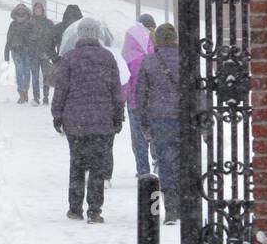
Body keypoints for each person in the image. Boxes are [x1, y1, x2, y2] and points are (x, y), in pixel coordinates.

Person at [51, 15, 124, 223]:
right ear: (98, 35)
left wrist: (57, 116)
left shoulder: (69, 58)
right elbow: (116, 92)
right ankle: (95, 210)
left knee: (77, 165)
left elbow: (61, 90)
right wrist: (118, 117)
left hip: (75, 123)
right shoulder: (108, 58)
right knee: (97, 168)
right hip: (102, 123)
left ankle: (75, 208)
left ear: (80, 35)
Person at [136, 22, 180, 224]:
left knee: (165, 160)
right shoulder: (185, 60)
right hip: (183, 117)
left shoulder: (149, 62)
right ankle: (186, 205)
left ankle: (171, 207)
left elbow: (142, 95)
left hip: (159, 118)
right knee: (184, 161)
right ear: (175, 39)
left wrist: (143, 123)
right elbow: (198, 89)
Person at [122, 16, 156, 176]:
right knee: (155, 133)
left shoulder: (128, 57)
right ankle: (157, 162)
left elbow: (125, 81)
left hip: (134, 102)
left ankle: (142, 169)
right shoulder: (155, 55)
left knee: (138, 138)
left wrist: (123, 99)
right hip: (153, 102)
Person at [28, 1, 55, 105]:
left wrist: (50, 50)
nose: (38, 10)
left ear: (42, 10)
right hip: (33, 53)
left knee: (46, 76)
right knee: (35, 76)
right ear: (34, 11)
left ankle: (46, 97)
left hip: (45, 53)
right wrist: (31, 42)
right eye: (36, 9)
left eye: (40, 8)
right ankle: (36, 98)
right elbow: (26, 38)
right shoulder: (30, 23)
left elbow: (53, 37)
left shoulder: (48, 23)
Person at [4, 3, 33, 103]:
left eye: (22, 11)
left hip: (27, 51)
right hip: (16, 51)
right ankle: (21, 93)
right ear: (16, 12)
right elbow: (8, 39)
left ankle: (25, 90)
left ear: (26, 12)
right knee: (19, 72)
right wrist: (6, 54)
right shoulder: (13, 24)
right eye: (19, 11)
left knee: (27, 72)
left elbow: (34, 38)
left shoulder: (30, 24)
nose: (21, 12)